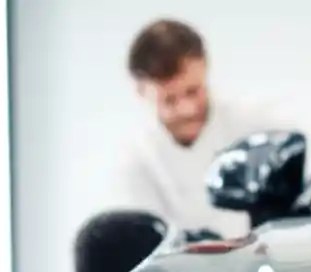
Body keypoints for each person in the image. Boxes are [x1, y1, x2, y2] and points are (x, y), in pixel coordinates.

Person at [114, 19, 283, 239]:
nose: (187, 109)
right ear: (141, 91)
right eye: (169, 100)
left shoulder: (259, 127)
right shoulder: (135, 164)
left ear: (205, 67)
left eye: (193, 91)